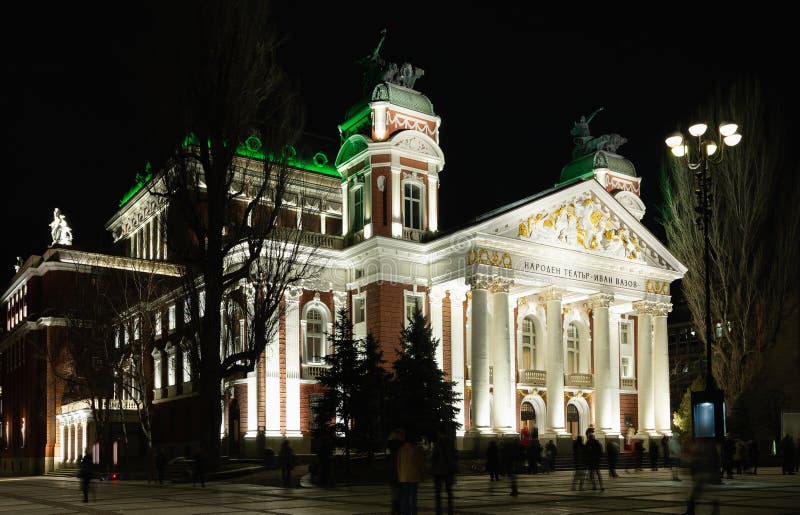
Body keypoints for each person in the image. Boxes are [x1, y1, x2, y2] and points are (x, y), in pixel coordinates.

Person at [432, 430, 457, 515]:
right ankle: (450, 510)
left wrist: (432, 469)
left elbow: (434, 457)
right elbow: (454, 456)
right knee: (449, 492)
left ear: (439, 433)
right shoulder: (450, 442)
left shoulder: (437, 443)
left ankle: (439, 511)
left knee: (438, 493)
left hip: (438, 471)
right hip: (448, 471)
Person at [397, 437, 424, 515]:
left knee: (405, 496)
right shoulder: (415, 449)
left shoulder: (401, 450)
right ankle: (413, 513)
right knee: (413, 497)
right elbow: (419, 463)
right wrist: (421, 472)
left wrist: (400, 475)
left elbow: (398, 463)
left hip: (403, 477)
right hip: (413, 477)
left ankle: (405, 513)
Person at [387, 429, 406, 514]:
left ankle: (395, 510)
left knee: (394, 492)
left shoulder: (389, 445)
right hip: (400, 470)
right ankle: (398, 509)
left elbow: (388, 459)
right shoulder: (402, 445)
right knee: (400, 492)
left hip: (392, 471)